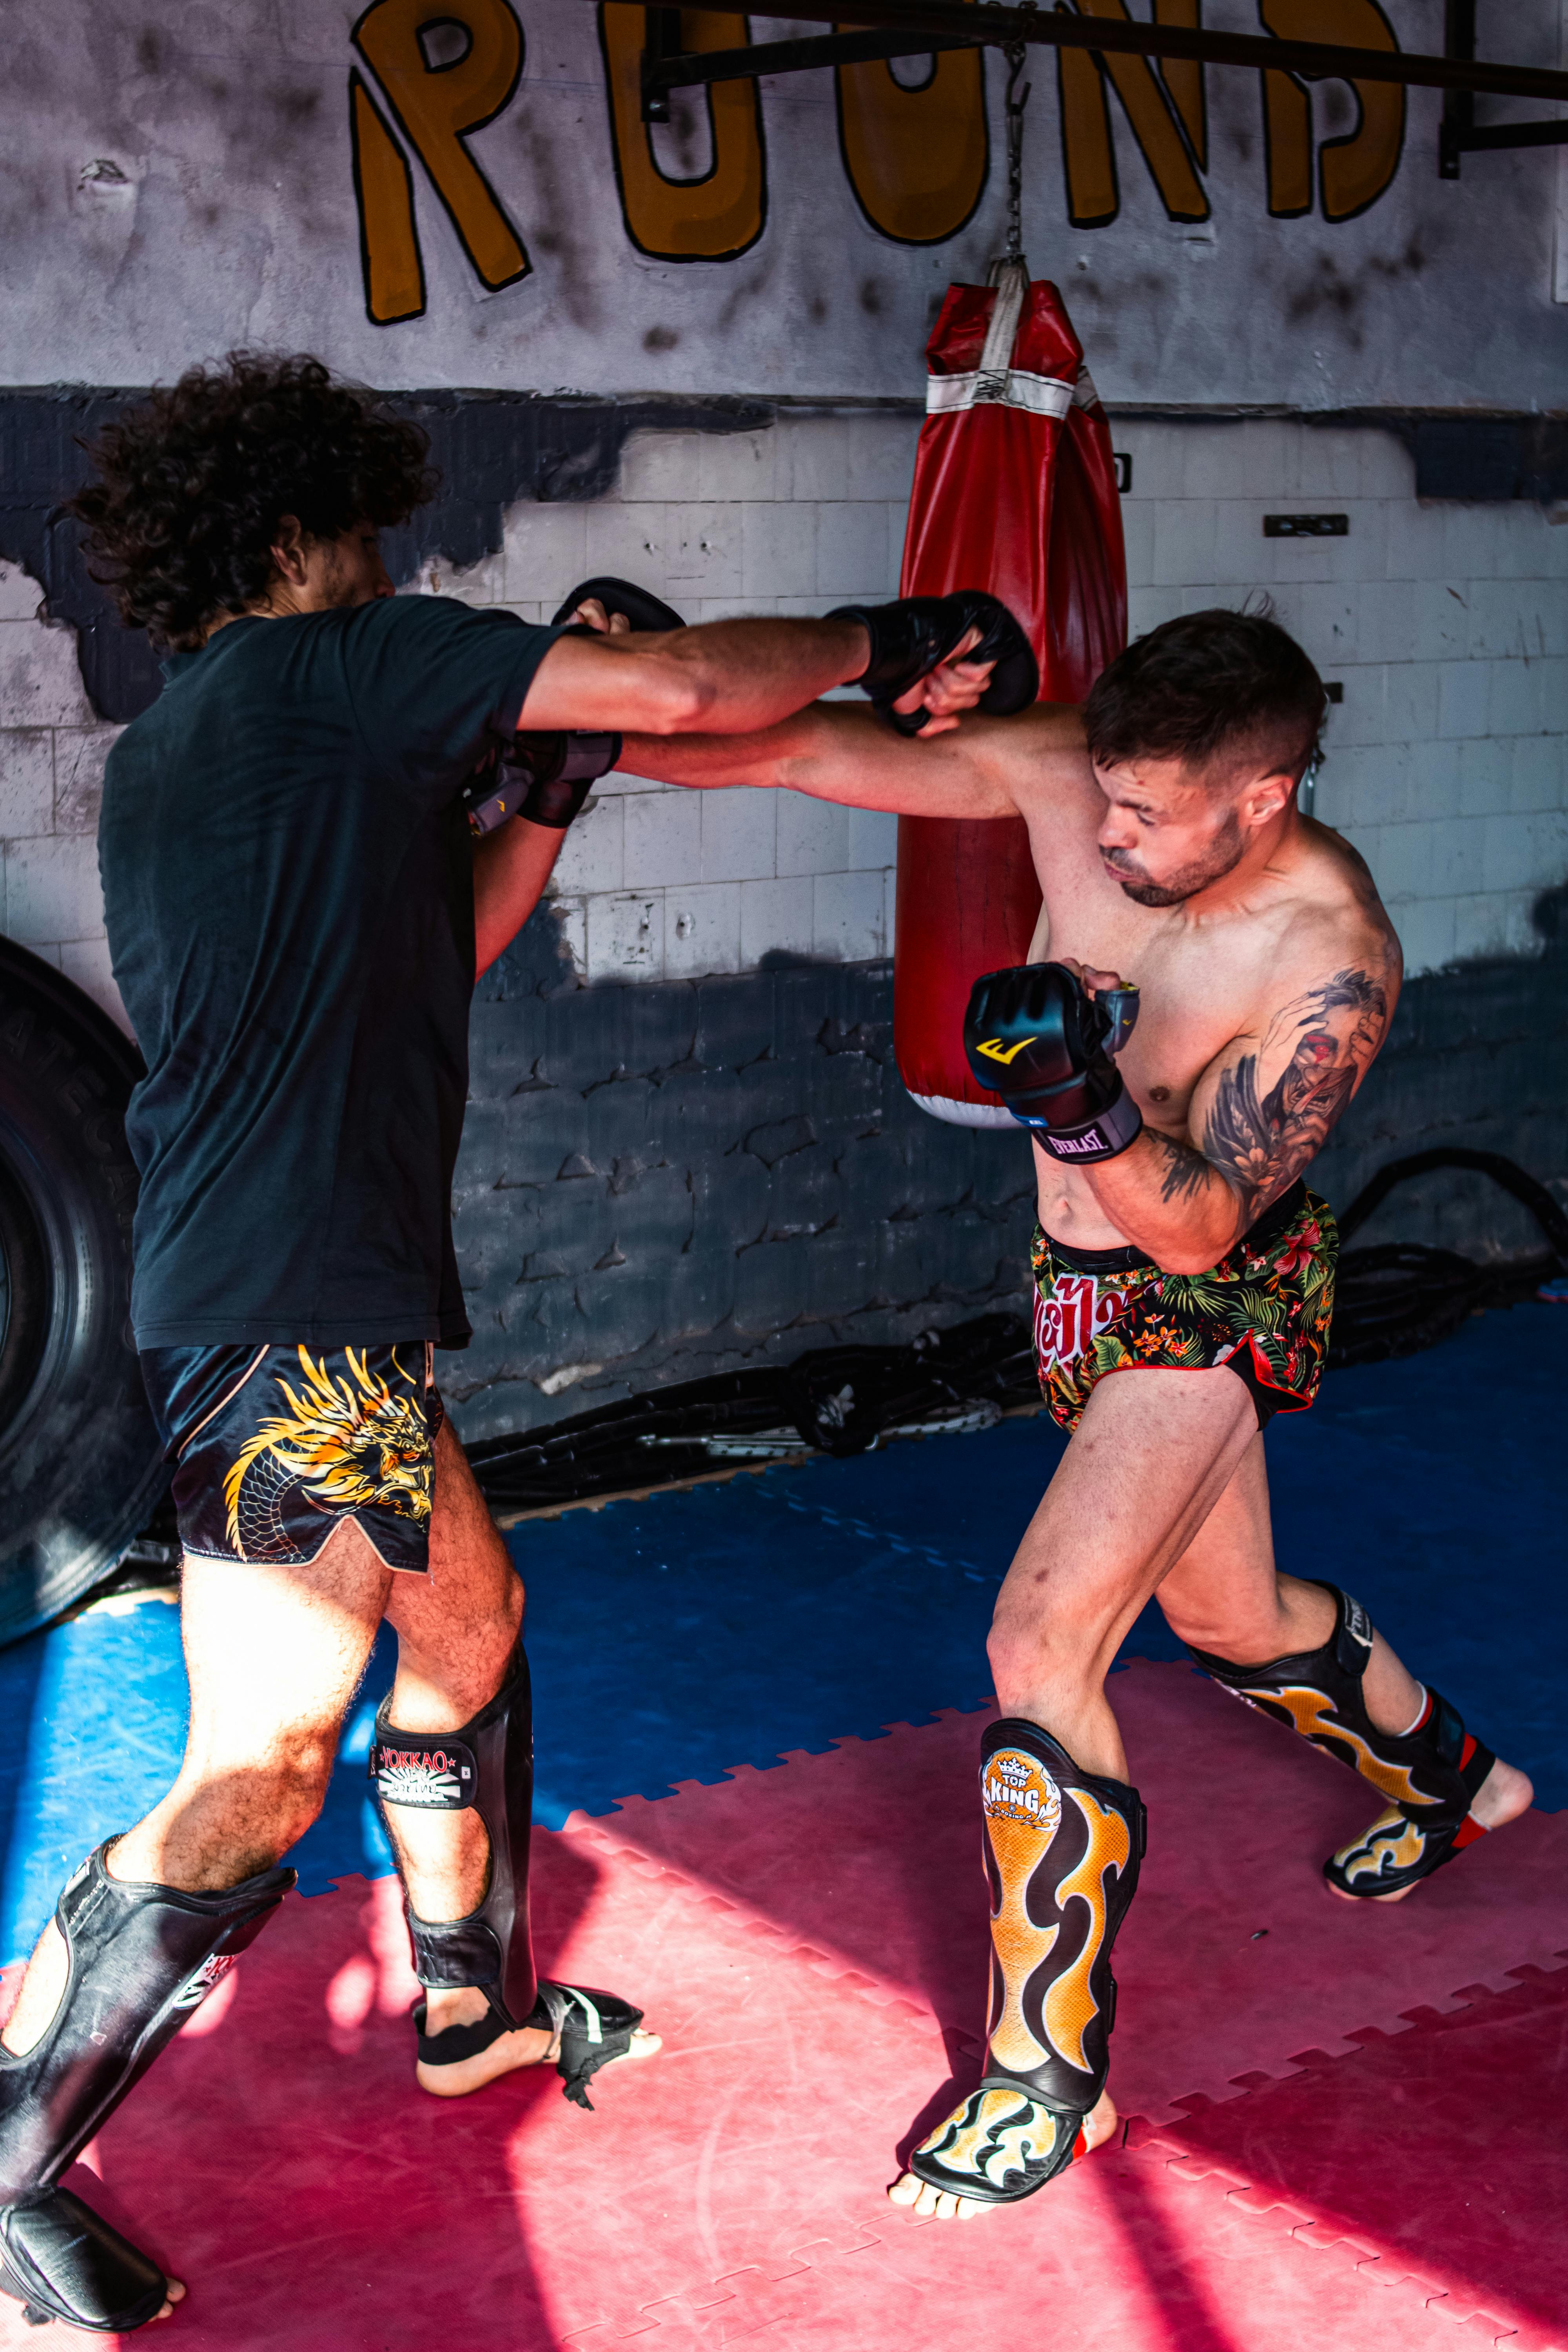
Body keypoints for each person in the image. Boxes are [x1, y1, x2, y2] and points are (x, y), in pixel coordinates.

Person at [0, 354, 1017, 2335]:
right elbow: (687, 695)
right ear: (310, 524)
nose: (393, 553)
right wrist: (905, 632)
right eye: (372, 525)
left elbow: (447, 935)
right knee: (264, 1763)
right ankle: (8, 2164)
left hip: (311, 1289)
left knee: (466, 1630)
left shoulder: (204, 740)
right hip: (293, 1302)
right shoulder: (339, 660)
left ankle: (477, 2009)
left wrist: (540, 774)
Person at [603, 598, 1535, 2221]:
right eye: (1098, 796)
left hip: (1205, 1298)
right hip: (1075, 1288)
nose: (1104, 836)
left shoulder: (1325, 960)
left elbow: (1205, 1229)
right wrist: (587, 733)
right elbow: (831, 750)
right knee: (1235, 1621)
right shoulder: (1083, 786)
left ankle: (1046, 2073)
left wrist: (1078, 1097)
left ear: (1262, 798)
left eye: (1146, 814)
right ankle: (1459, 1782)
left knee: (1043, 1644)